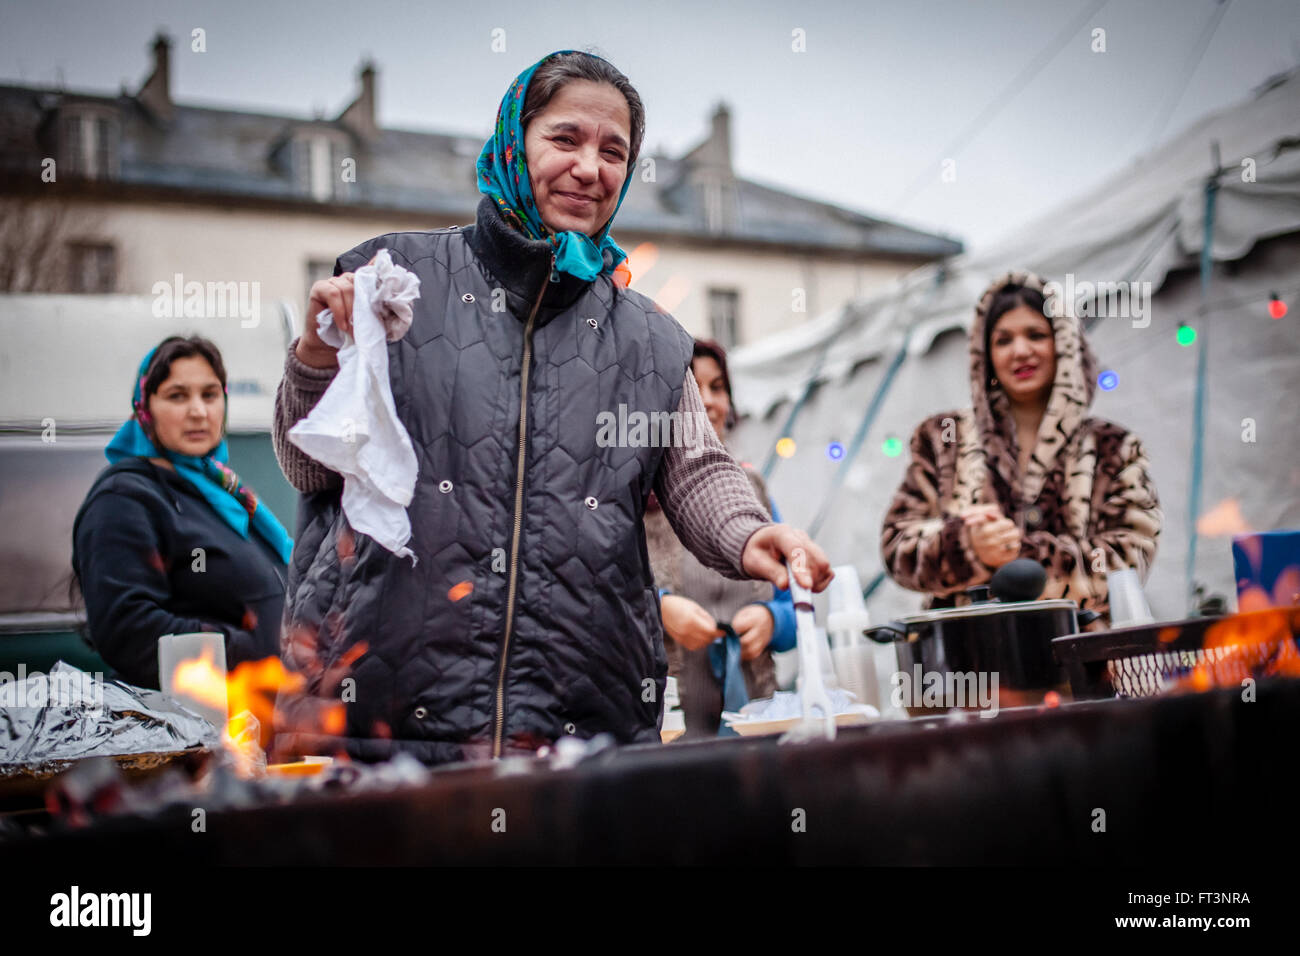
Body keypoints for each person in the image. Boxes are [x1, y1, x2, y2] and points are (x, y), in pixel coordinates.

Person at [272, 50, 832, 765]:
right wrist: (316, 362)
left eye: (613, 151)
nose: (590, 168)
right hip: (375, 716)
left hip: (578, 728)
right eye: (564, 139)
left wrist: (755, 538)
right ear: (515, 141)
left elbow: (697, 471)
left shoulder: (652, 338)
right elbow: (305, 466)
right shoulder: (396, 283)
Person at [880, 271, 1161, 623]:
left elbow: (1130, 561)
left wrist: (1022, 555)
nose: (1020, 351)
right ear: (985, 354)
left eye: (1036, 335)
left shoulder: (1113, 447)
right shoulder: (943, 438)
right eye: (1003, 340)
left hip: (1082, 659)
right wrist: (966, 544)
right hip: (970, 660)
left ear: (1064, 342)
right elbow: (897, 547)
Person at [72, 336, 292, 689]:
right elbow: (129, 632)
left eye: (209, 394)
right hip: (198, 730)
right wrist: (253, 651)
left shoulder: (224, 492)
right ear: (144, 408)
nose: (198, 411)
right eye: (177, 396)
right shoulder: (124, 498)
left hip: (261, 720)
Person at [647, 339, 796, 737]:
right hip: (670, 730)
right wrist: (659, 611)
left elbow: (796, 605)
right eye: (693, 389)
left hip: (759, 720)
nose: (708, 401)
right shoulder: (637, 498)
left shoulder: (753, 491)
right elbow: (605, 598)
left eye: (718, 387)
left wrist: (772, 619)